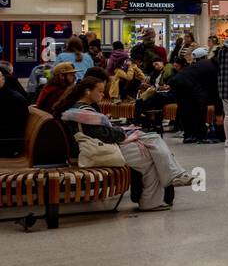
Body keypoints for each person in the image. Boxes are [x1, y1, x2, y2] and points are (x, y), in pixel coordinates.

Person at [57, 76, 194, 211]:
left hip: (100, 147)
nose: (103, 94)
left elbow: (102, 132)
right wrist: (123, 133)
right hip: (102, 151)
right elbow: (105, 135)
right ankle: (170, 180)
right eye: (99, 91)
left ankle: (169, 181)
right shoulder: (84, 112)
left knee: (152, 145)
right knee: (151, 153)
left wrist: (123, 132)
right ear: (88, 91)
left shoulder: (79, 109)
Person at [169, 47, 220, 143]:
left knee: (185, 110)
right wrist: (218, 111)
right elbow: (213, 89)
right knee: (198, 109)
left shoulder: (199, 65)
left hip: (178, 83)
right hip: (188, 86)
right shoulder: (212, 67)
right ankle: (199, 135)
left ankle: (189, 135)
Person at [0, 64, 29, 157]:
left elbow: (13, 126)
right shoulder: (8, 94)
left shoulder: (11, 98)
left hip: (7, 145)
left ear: (3, 80)